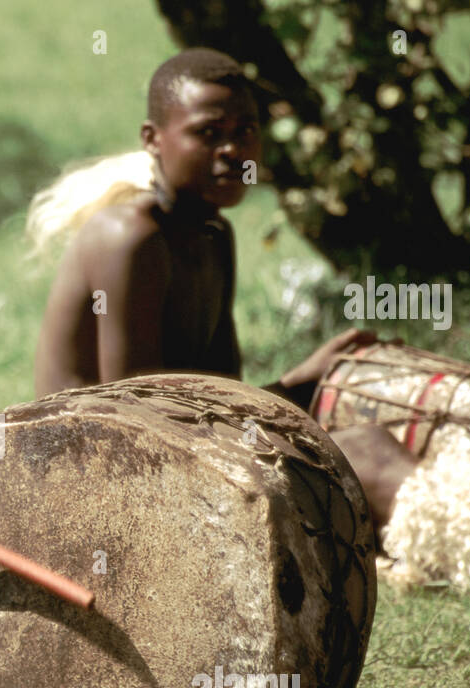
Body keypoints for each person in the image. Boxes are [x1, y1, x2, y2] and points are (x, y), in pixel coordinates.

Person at [28, 48, 395, 511]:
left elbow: (218, 400)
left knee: (369, 439)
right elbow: (136, 419)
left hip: (172, 450)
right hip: (93, 480)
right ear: (153, 139)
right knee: (363, 456)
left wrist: (298, 383)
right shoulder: (128, 239)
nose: (234, 151)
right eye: (208, 133)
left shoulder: (214, 234)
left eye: (245, 132)